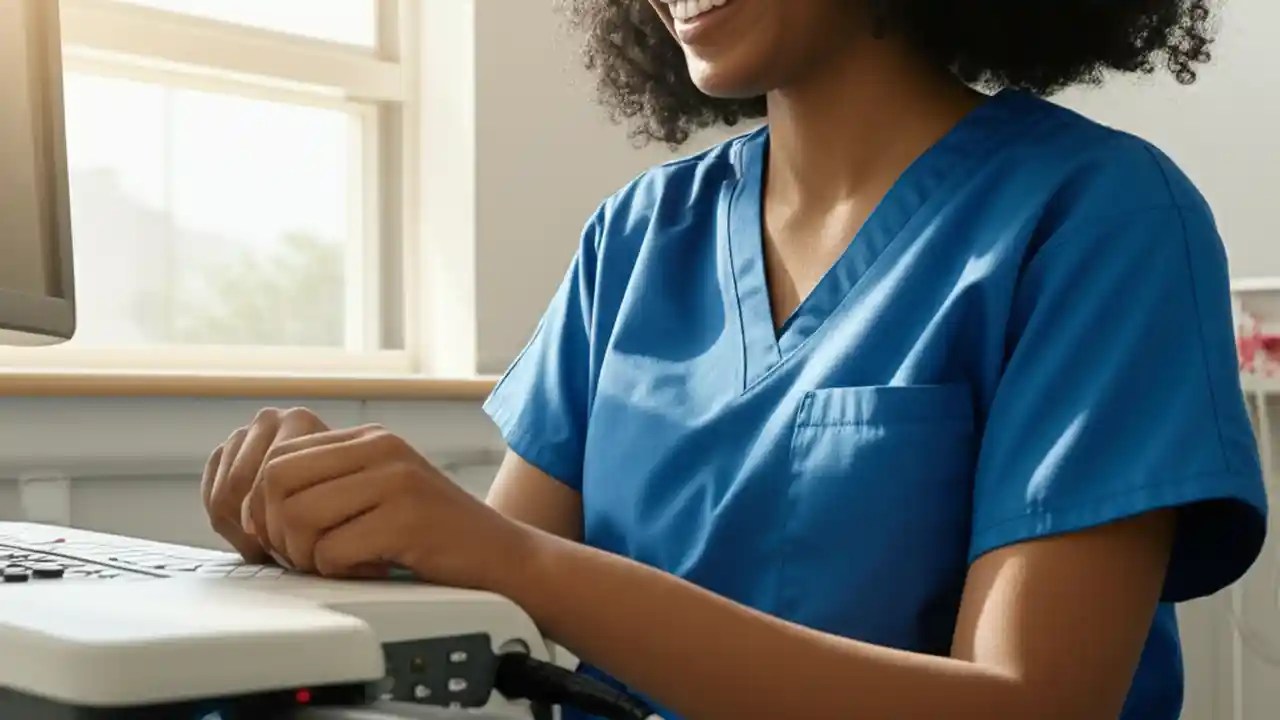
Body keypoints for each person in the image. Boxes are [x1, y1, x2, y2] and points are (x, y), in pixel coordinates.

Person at [201, 1, 1269, 718]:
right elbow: (489, 611)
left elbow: (1027, 702)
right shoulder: (638, 234)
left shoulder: (1098, 218)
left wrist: (505, 561)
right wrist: (336, 516)